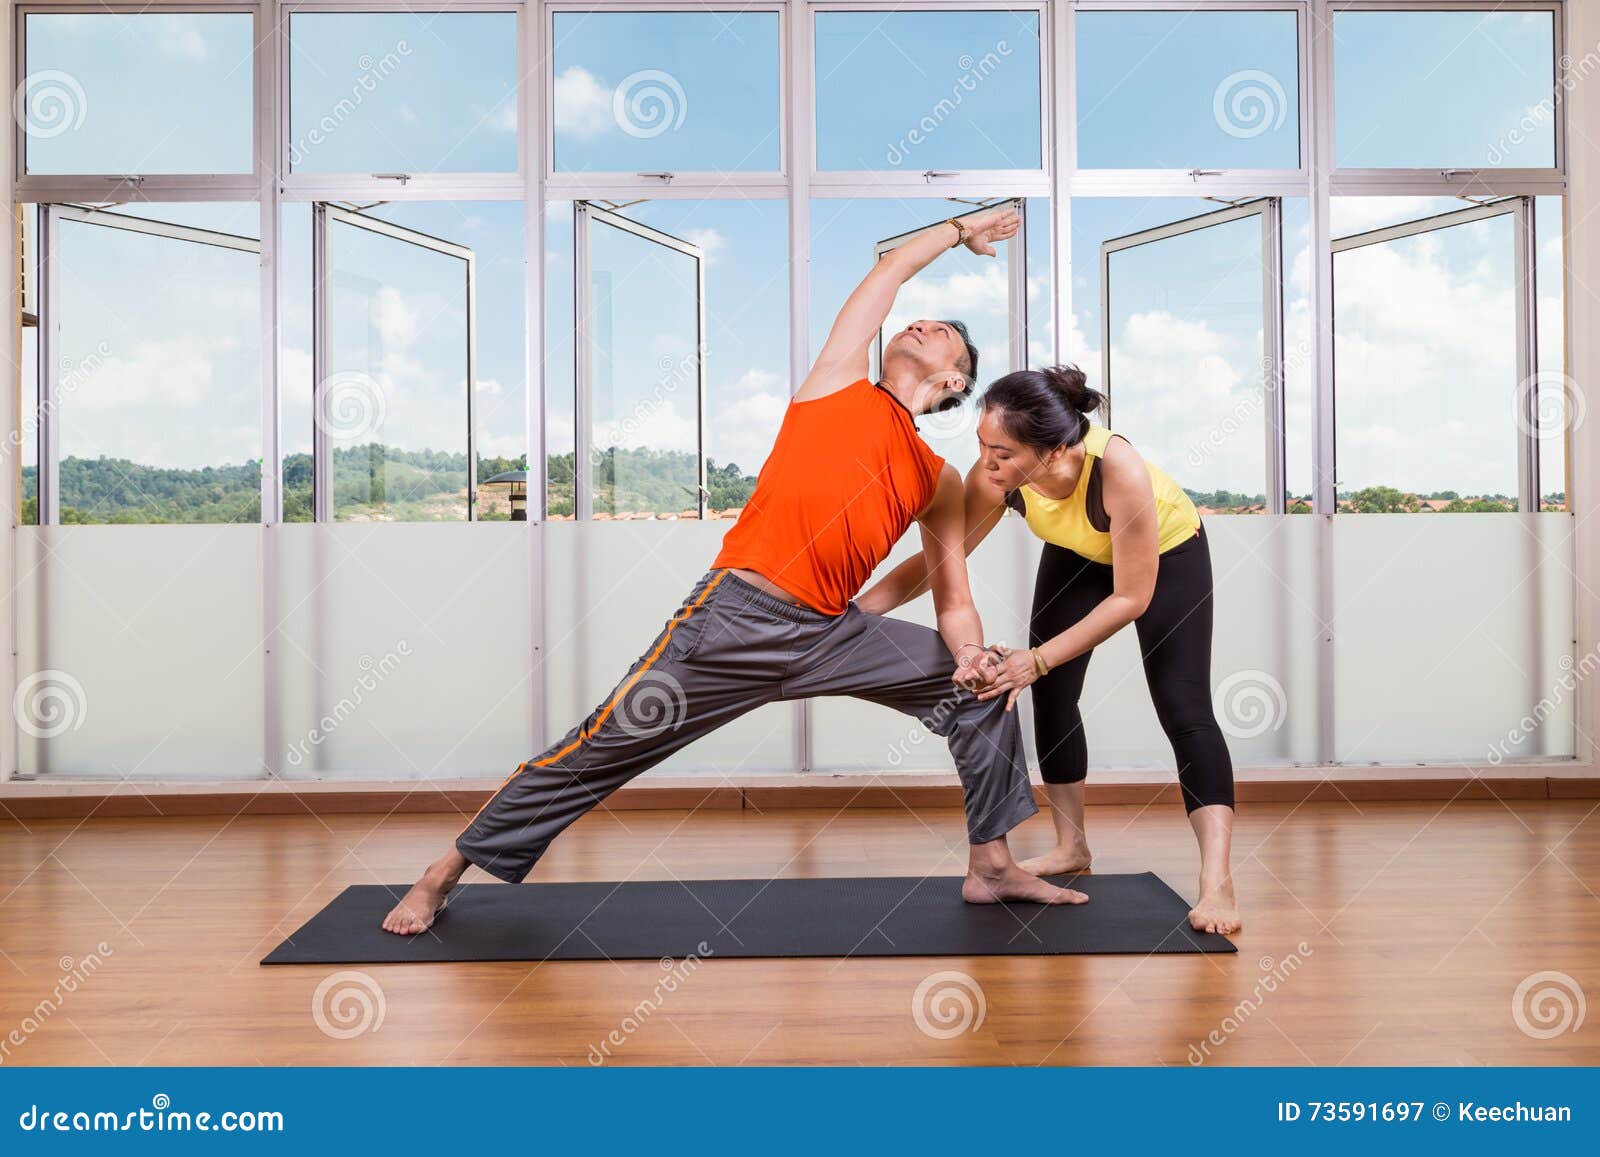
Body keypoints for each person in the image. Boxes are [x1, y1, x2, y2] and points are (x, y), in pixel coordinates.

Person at [383, 205, 1087, 935]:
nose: (919, 325)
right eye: (917, 320)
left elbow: (952, 594)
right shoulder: (836, 384)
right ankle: (444, 871)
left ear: (952, 382)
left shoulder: (938, 480)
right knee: (598, 747)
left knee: (982, 690)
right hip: (731, 620)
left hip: (827, 632)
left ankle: (993, 865)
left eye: (940, 332)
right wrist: (960, 232)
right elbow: (890, 269)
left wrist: (972, 655)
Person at [857, 365, 1241, 935]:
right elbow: (944, 559)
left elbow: (1131, 598)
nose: (987, 465)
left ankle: (1219, 882)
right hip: (1078, 549)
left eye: (1004, 453)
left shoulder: (1118, 470)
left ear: (1056, 450)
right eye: (982, 446)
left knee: (1182, 706)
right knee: (1052, 695)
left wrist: (1035, 658)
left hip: (1165, 552)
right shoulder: (997, 476)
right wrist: (857, 610)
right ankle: (1071, 847)